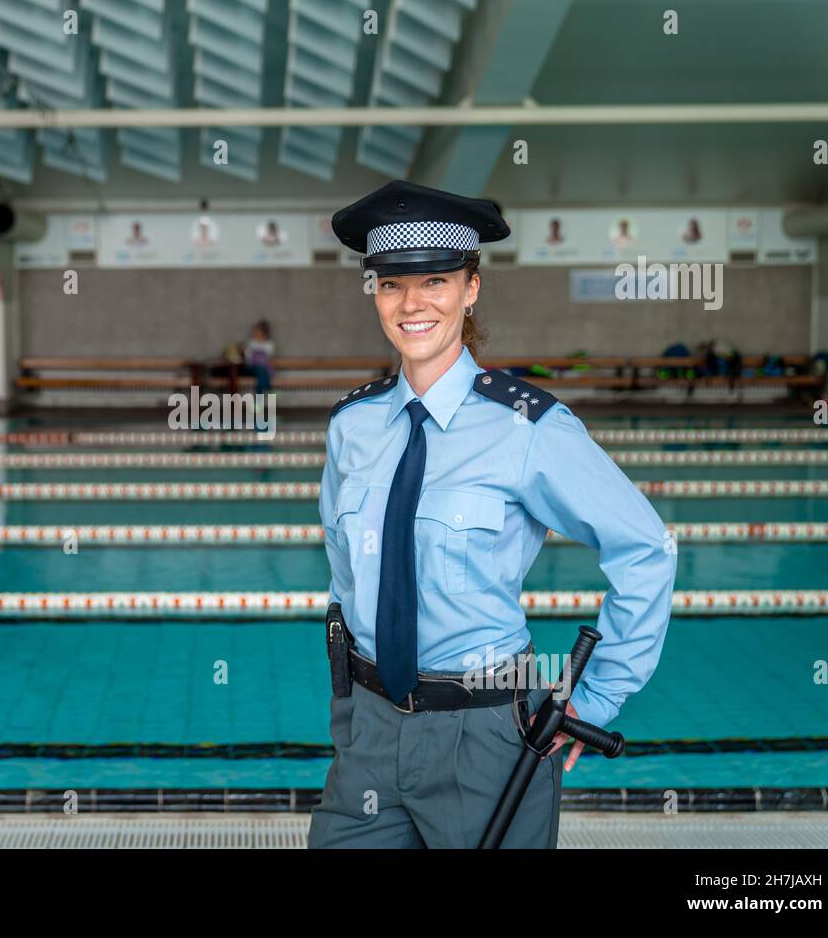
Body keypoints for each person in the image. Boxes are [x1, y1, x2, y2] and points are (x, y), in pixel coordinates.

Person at [309, 179, 676, 848]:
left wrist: (594, 699)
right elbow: (346, 576)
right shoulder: (353, 426)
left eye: (435, 281)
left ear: (470, 288)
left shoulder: (529, 427)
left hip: (485, 736)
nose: (411, 302)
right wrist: (348, 706)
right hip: (368, 729)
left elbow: (645, 548)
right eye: (391, 284)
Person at [242, 320, 274, 395]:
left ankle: (259, 402)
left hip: (263, 369)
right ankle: (269, 388)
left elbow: (269, 356)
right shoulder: (251, 343)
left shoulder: (269, 345)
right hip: (252, 368)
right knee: (261, 372)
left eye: (259, 332)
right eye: (255, 332)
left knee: (261, 379)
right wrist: (245, 350)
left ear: (265, 334)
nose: (256, 334)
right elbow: (248, 358)